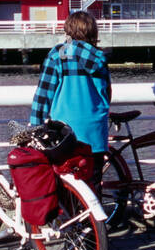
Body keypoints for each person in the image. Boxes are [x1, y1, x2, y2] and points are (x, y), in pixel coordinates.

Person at [29, 11, 111, 189]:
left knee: (66, 185)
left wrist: (34, 127)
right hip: (94, 132)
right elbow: (106, 93)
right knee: (92, 184)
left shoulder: (58, 55)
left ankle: (71, 215)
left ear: (69, 31)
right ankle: (93, 216)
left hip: (65, 133)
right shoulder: (99, 58)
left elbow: (43, 95)